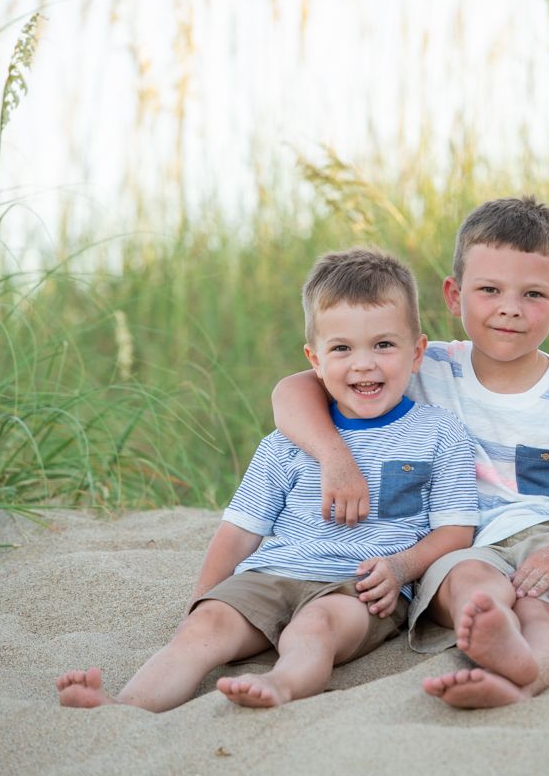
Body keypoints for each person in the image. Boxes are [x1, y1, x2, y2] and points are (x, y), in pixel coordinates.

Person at [56, 248, 478, 711]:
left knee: (313, 628)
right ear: (313, 360)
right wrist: (203, 600)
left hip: (356, 588)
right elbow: (239, 532)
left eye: (383, 345)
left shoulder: (437, 433)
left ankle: (282, 685)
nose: (363, 364)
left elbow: (456, 530)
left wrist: (401, 567)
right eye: (341, 348)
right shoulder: (288, 441)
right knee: (206, 628)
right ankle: (124, 706)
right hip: (272, 574)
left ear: (416, 352)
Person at [272, 196, 549, 708]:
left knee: (542, 614)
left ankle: (529, 672)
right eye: (489, 290)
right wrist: (335, 457)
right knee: (471, 583)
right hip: (467, 547)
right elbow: (292, 393)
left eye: (533, 294)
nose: (509, 308)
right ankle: (496, 642)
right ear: (454, 295)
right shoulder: (423, 366)